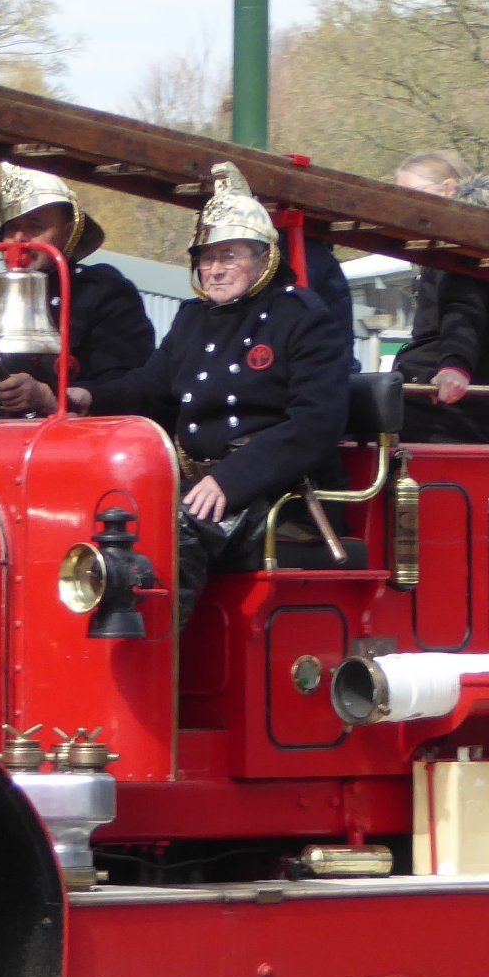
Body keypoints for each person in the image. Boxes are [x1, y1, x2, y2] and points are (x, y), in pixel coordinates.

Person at [65, 163, 348, 629]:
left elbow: (314, 425)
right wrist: (83, 397)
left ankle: (155, 670)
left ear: (265, 258)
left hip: (279, 494)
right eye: (207, 257)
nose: (215, 269)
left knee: (168, 534)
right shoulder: (193, 318)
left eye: (230, 256)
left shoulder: (301, 317)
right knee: (93, 519)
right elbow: (148, 388)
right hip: (201, 486)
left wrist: (231, 481)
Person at [391, 149, 489, 444]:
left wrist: (453, 366)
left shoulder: (464, 245)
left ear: (448, 189)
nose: (401, 208)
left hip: (469, 401)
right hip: (486, 393)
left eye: (411, 194)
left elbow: (464, 307)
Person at [0, 164, 155, 417]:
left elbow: (129, 391)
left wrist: (50, 399)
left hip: (66, 447)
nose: (19, 238)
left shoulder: (103, 294)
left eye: (35, 225)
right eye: (11, 227)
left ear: (67, 233)